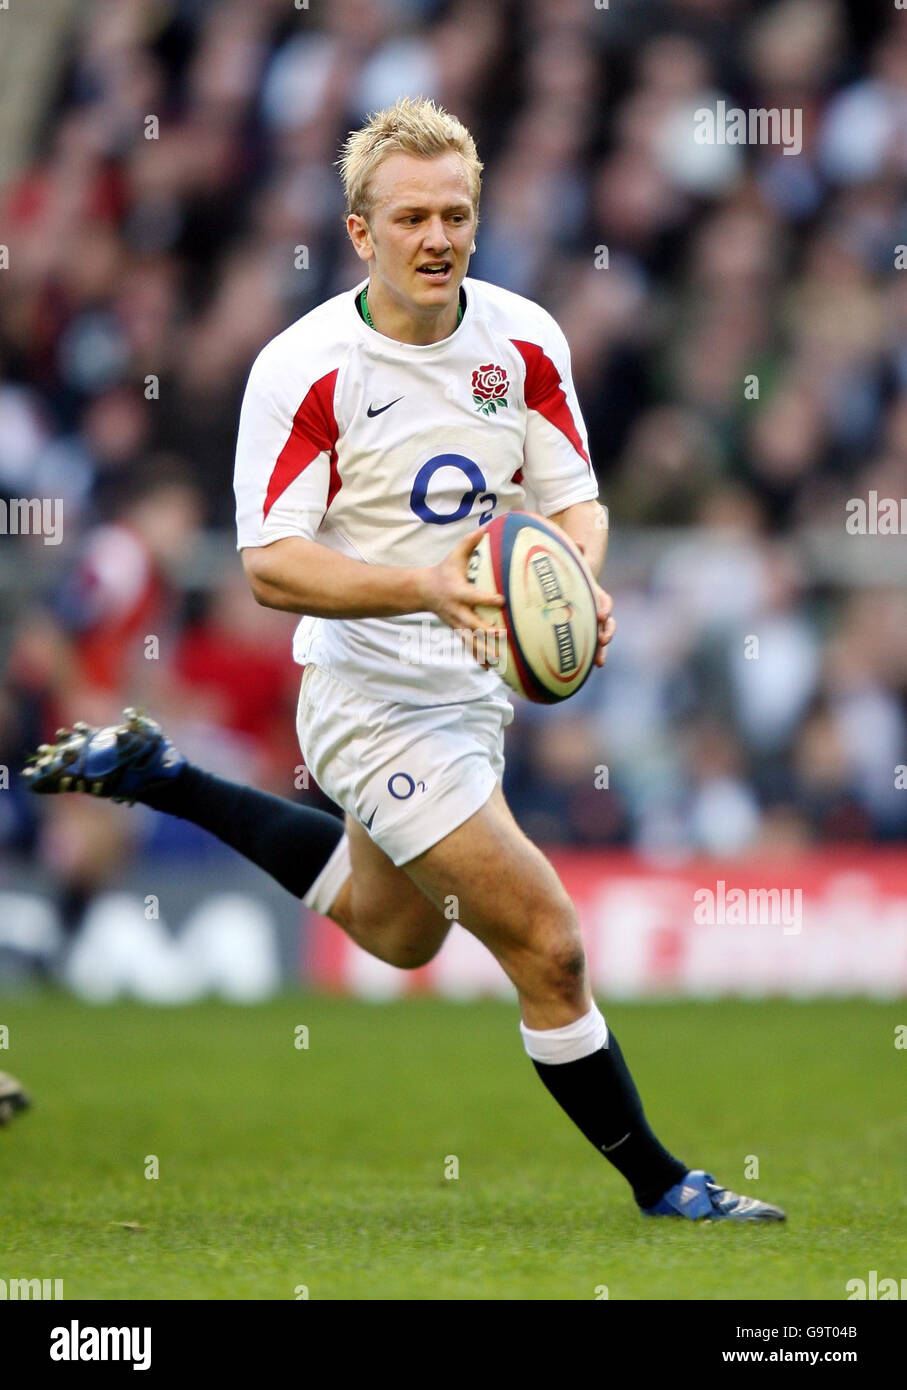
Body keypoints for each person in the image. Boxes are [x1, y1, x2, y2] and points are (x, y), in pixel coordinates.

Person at [24, 97, 784, 1223]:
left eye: (457, 215)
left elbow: (576, 505)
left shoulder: (524, 339)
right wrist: (429, 585)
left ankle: (161, 778)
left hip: (473, 693)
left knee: (398, 929)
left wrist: (574, 588)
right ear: (359, 232)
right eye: (413, 216)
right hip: (367, 696)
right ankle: (665, 1184)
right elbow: (271, 564)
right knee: (550, 943)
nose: (438, 237)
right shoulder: (305, 368)